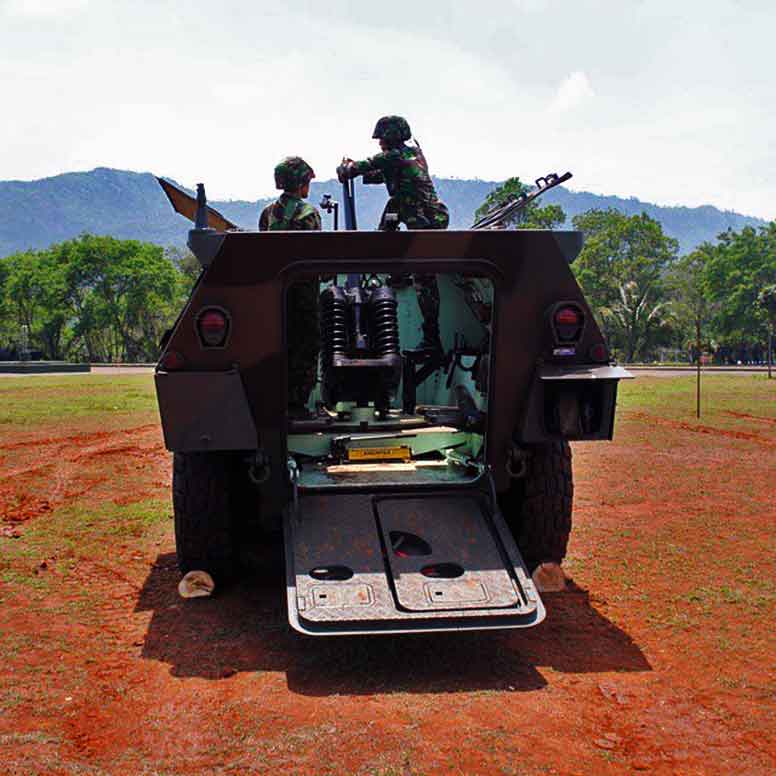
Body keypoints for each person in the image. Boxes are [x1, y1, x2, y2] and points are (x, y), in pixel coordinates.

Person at [337, 116, 448, 350]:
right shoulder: (409, 155)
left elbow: (363, 167)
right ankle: (392, 270)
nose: (380, 144)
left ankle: (432, 338)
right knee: (390, 219)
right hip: (421, 217)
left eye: (382, 140)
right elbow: (378, 174)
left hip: (426, 225)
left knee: (424, 280)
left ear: (391, 139)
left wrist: (348, 168)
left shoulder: (396, 156)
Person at [259, 156, 321, 416]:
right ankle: (297, 404)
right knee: (307, 345)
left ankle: (274, 400)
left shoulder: (268, 213)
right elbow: (316, 257)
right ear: (301, 183)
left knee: (277, 344)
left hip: (274, 295)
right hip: (304, 295)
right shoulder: (309, 214)